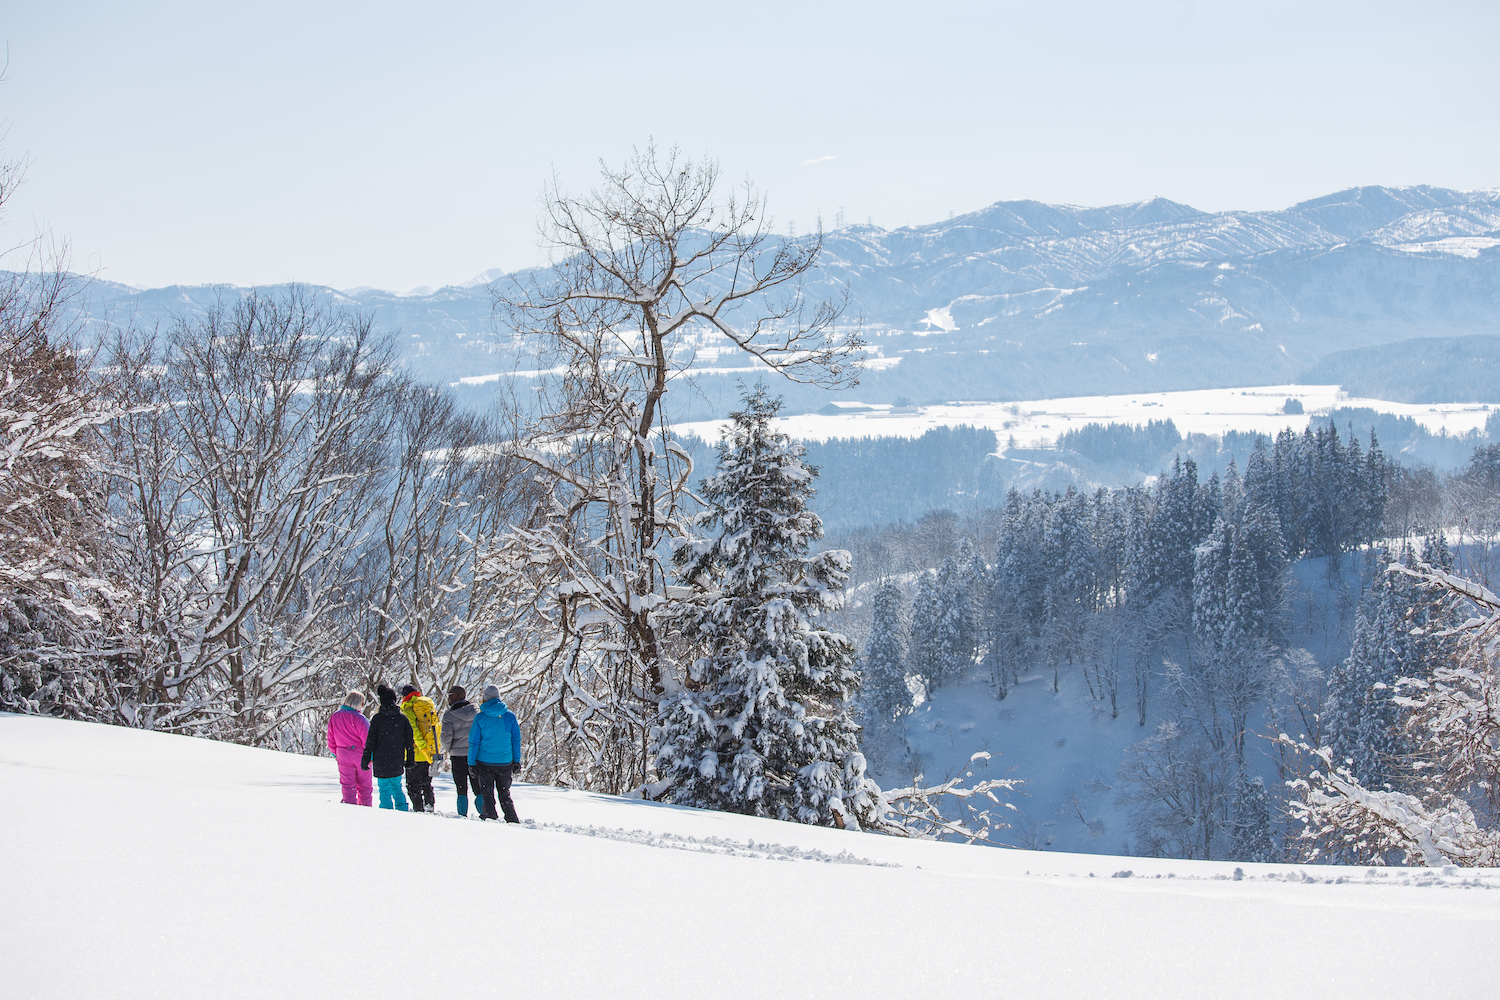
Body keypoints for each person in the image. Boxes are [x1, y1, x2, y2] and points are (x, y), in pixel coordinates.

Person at [468, 683, 522, 823]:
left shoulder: (480, 718)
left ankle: (490, 817)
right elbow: (516, 740)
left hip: (484, 761)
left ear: (485, 698)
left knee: (487, 794)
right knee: (505, 793)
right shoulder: (510, 717)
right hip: (505, 761)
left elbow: (474, 742)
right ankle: (512, 819)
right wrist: (516, 760)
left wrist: (471, 763)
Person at [362, 684, 415, 810]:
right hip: (396, 758)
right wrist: (410, 759)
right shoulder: (402, 718)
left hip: (380, 759)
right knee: (396, 787)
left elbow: (370, 742)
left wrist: (365, 758)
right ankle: (402, 810)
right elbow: (409, 741)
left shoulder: (377, 719)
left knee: (384, 788)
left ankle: (386, 812)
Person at [399, 683, 441, 812]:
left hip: (415, 753)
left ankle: (419, 810)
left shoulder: (408, 709)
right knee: (426, 783)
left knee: (413, 786)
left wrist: (421, 747)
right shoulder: (425, 708)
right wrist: (428, 750)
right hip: (428, 753)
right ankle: (429, 807)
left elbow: (413, 732)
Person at [439, 684, 480, 817]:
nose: (448, 698)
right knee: (478, 788)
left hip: (457, 756)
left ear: (456, 696)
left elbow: (445, 737)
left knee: (461, 789)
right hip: (474, 755)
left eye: (450, 695)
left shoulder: (449, 715)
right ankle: (485, 812)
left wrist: (450, 749)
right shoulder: (476, 712)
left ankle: (462, 815)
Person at [326, 690, 372, 806]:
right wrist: (370, 756)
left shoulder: (335, 716)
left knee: (347, 785)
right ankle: (365, 808)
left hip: (342, 753)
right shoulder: (359, 718)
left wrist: (335, 754)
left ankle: (349, 806)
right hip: (360, 754)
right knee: (364, 785)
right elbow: (367, 739)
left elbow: (330, 738)